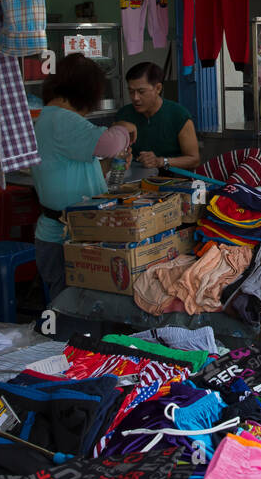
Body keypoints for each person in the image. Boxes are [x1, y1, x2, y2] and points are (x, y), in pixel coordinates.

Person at [31, 54, 139, 299]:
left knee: (76, 306)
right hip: (65, 236)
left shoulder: (48, 118)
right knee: (75, 309)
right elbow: (109, 143)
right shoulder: (62, 118)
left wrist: (112, 164)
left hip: (66, 232)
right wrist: (125, 128)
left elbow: (82, 170)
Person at [115, 62, 201, 173]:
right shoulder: (124, 115)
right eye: (131, 92)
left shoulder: (178, 115)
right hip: (133, 181)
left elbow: (194, 160)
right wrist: (117, 127)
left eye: (141, 92)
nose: (135, 98)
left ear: (158, 88)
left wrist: (161, 161)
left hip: (173, 181)